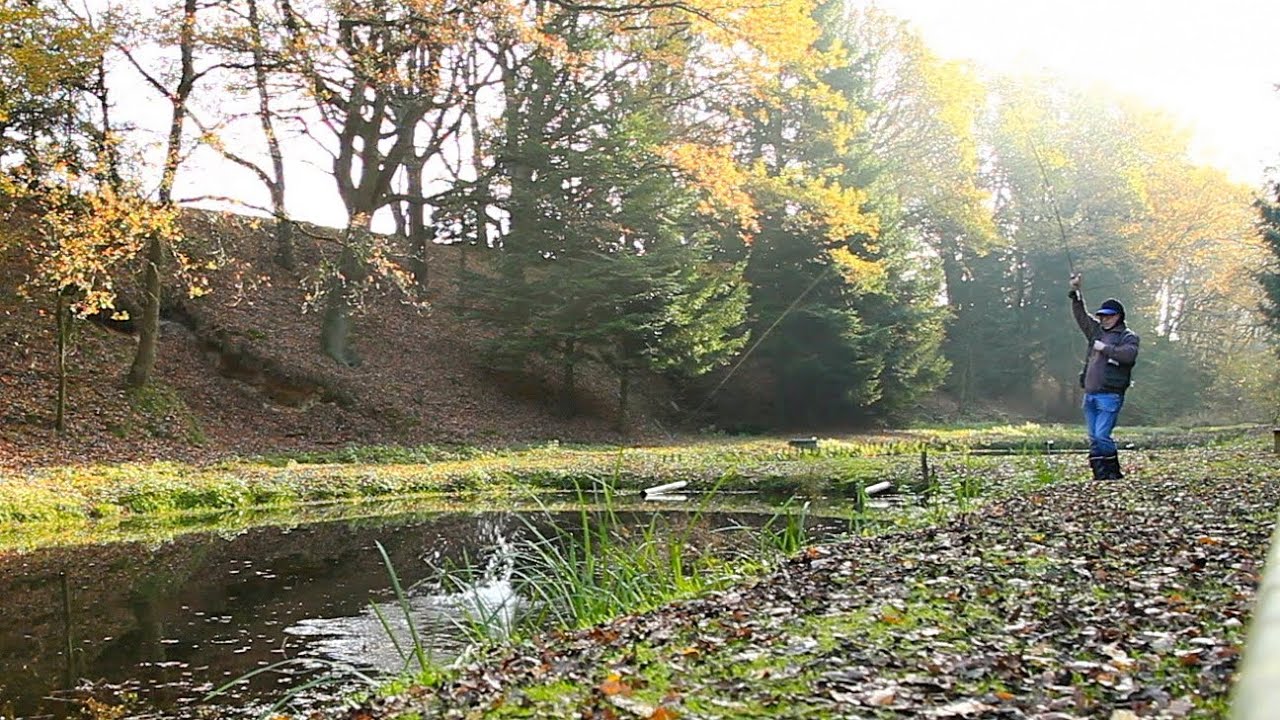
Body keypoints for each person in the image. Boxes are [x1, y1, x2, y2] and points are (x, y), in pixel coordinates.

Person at [1068, 273, 1139, 480]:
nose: (1104, 319)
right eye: (1102, 316)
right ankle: (1100, 476)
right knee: (1093, 437)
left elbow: (1129, 355)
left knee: (1101, 435)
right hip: (1090, 394)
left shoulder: (1128, 336)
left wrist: (1105, 348)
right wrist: (1076, 292)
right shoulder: (1096, 332)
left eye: (1108, 316)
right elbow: (1081, 316)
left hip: (1110, 395)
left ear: (1119, 316)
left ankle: (1113, 473)